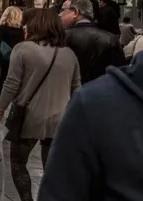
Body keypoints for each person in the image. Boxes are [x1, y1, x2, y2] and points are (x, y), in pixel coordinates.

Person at [0, 9, 81, 201]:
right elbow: (77, 89)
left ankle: (27, 199)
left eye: (27, 22)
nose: (24, 26)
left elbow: (11, 83)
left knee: (18, 162)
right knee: (51, 167)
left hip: (29, 117)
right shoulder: (69, 54)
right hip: (60, 120)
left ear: (36, 25)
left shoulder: (22, 49)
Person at [38, 52, 143, 200]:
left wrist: (0, 109)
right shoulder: (69, 56)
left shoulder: (92, 101)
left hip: (46, 111)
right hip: (67, 110)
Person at [60, 0, 124, 83]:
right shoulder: (112, 39)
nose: (60, 15)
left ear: (75, 12)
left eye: (63, 10)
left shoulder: (61, 38)